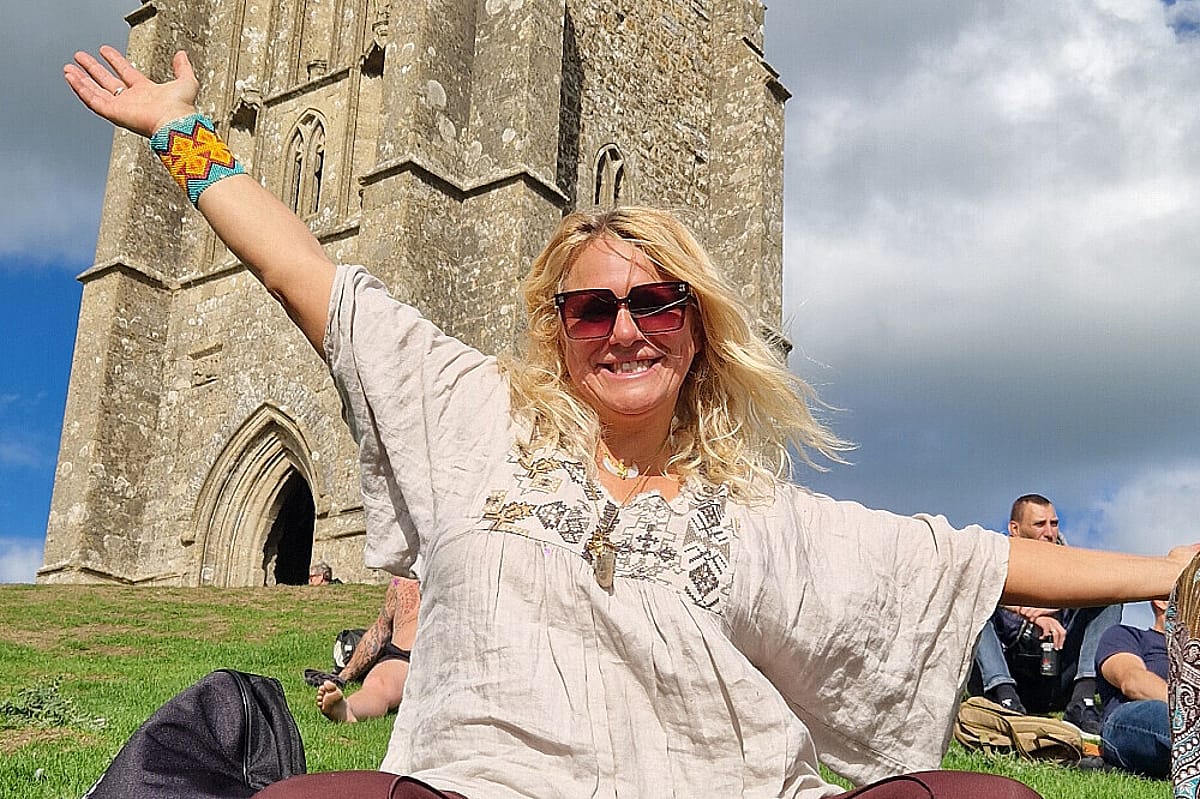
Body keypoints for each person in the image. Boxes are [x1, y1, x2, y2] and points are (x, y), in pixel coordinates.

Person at [64, 45, 1198, 799]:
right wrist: (182, 134)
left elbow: (962, 559)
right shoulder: (469, 413)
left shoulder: (755, 511)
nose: (624, 328)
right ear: (556, 327)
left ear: (697, 328)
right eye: (591, 305)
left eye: (657, 302)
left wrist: (1163, 564)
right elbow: (308, 272)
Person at [973, 494, 1121, 735]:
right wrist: (1025, 609)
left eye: (1054, 523)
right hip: (1011, 668)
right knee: (974, 603)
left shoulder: (1073, 564)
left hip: (1058, 674)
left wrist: (1057, 601)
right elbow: (968, 585)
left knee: (1110, 599)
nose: (1049, 532)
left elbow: (1109, 586)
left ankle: (1082, 701)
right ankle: (1004, 699)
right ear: (1015, 529)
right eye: (1039, 524)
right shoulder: (994, 560)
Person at [314, 576, 419, 723]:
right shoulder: (400, 580)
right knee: (379, 685)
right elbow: (380, 632)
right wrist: (343, 676)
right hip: (405, 655)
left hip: (453, 655)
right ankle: (347, 709)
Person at [1090, 600, 1170, 777]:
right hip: (1131, 719)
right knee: (1163, 714)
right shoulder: (1126, 636)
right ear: (1162, 602)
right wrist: (1189, 710)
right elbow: (1133, 681)